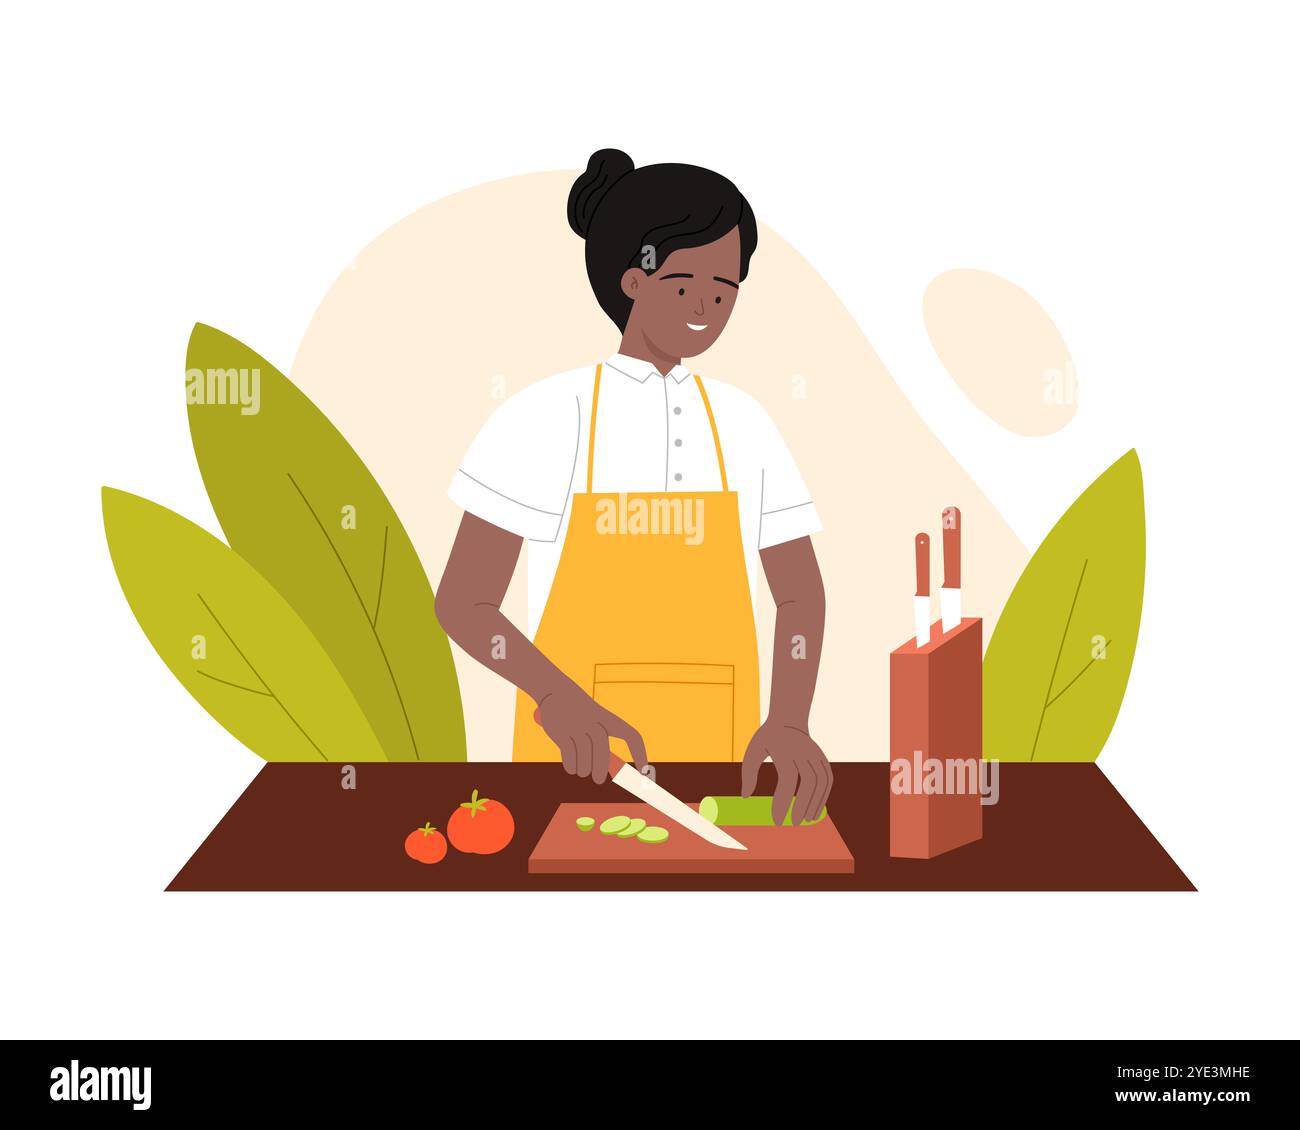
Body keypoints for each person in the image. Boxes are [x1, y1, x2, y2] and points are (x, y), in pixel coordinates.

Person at [437, 149, 831, 822]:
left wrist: (789, 720)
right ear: (630, 280)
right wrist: (555, 697)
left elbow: (798, 595)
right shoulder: (546, 415)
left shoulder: (746, 423)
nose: (708, 303)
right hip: (580, 758)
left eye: (725, 286)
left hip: (727, 768)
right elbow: (465, 603)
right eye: (684, 282)